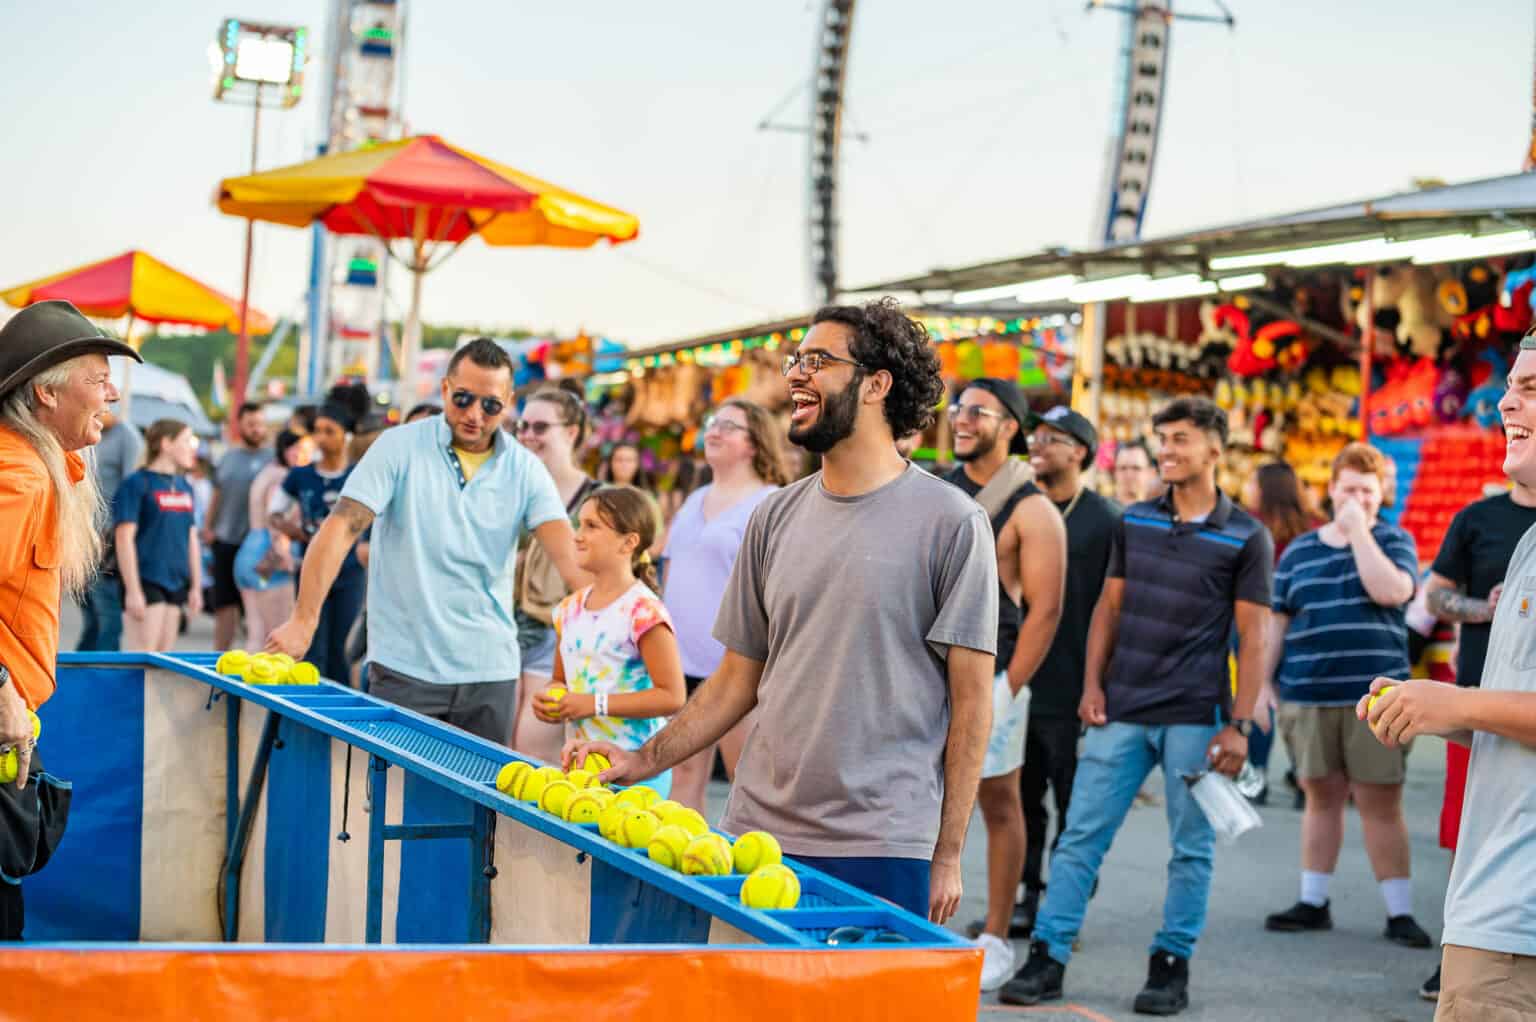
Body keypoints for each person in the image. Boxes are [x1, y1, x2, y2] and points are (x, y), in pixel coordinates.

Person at [565, 298, 999, 922]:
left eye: (818, 361)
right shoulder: (773, 517)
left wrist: (949, 852)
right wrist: (644, 759)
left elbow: (973, 703)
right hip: (758, 832)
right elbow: (736, 679)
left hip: (881, 840)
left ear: (877, 384)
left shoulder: (953, 523)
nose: (796, 373)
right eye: (799, 359)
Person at [1002, 396, 1272, 1015]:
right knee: (1080, 837)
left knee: (1190, 847)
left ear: (1214, 448)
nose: (1167, 451)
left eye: (1180, 439)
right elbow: (1108, 608)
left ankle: (1170, 966)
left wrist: (1238, 726)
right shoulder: (1136, 521)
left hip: (1196, 714)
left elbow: (1254, 636)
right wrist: (1092, 686)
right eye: (1162, 440)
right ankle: (1049, 955)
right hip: (1121, 708)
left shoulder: (1245, 535)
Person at [266, 339, 584, 743]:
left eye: (490, 405)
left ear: (509, 402)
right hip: (405, 668)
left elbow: (570, 558)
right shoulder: (399, 447)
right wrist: (303, 620)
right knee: (397, 801)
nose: (474, 415)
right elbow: (341, 528)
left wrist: (619, 632)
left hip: (491, 671)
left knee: (478, 803)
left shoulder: (525, 469)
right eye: (464, 399)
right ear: (446, 389)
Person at [1360, 335, 1536, 1021]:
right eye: (1513, 383)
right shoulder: (1519, 540)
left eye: (1532, 388)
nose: (1504, 401)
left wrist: (1454, 700)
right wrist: (1423, 707)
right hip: (1498, 902)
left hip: (1514, 922)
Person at [0, 300, 140, 938]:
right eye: (97, 375)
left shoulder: (45, 463)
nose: (112, 391)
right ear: (45, 393)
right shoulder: (21, 473)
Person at [1258, 443, 1429, 949]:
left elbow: (1392, 592)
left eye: (1368, 492)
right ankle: (1314, 901)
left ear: (1382, 497)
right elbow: (1278, 620)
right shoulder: (1301, 551)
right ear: (1331, 490)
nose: (1357, 499)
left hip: (1377, 699)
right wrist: (1262, 686)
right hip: (1307, 694)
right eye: (1349, 489)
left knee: (1380, 800)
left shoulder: (1393, 541)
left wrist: (1358, 533)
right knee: (1320, 797)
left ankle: (1399, 912)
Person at [943, 378, 1067, 990]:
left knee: (997, 801)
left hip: (994, 676)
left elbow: (1045, 609)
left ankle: (995, 934)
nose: (961, 419)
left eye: (977, 412)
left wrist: (1009, 689)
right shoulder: (936, 487)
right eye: (957, 408)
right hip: (930, 675)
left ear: (1010, 425)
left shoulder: (1031, 507)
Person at [984, 406, 1120, 941]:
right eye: (1035, 435)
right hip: (1020, 675)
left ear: (1080, 452)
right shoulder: (1016, 506)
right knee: (1022, 797)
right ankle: (1026, 898)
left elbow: (1113, 610)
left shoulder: (1105, 519)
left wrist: (1101, 683)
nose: (1038, 444)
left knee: (1071, 802)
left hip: (1074, 685)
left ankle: (1064, 908)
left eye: (1054, 438)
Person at [1411, 417, 1536, 1001]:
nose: (1510, 405)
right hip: (1478, 704)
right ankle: (1456, 941)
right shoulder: (1481, 521)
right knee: (1468, 829)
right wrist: (1483, 611)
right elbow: (1434, 594)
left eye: (1531, 388)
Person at [663, 399, 788, 813]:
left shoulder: (769, 504)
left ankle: (751, 874)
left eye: (728, 427)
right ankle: (680, 872)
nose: (713, 432)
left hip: (736, 666)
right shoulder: (696, 495)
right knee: (682, 776)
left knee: (745, 781)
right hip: (680, 663)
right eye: (712, 423)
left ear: (754, 445)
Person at [535, 487, 686, 796]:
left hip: (637, 776)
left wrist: (593, 704)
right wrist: (552, 699)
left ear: (628, 542)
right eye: (579, 524)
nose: (577, 535)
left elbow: (672, 697)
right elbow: (560, 680)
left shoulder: (644, 612)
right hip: (579, 771)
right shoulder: (567, 610)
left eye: (592, 526)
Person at [511, 383, 600, 758]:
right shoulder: (507, 487)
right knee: (490, 755)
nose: (528, 435)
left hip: (556, 638)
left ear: (571, 431)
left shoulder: (598, 499)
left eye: (540, 427)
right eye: (523, 426)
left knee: (532, 756)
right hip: (497, 631)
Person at [267, 402, 364, 682]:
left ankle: (337, 715)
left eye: (329, 431)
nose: (321, 438)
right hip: (311, 569)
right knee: (310, 647)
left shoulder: (359, 474)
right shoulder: (301, 475)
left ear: (346, 435)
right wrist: (298, 532)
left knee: (342, 650)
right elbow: (274, 513)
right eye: (317, 431)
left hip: (349, 572)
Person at [1242, 461, 1320, 804]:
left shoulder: (1249, 526)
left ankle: (1256, 776)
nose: (1246, 487)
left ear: (1265, 488)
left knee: (1259, 697)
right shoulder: (1315, 525)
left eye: (1251, 481)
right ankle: (1304, 775)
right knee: (1298, 699)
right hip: (1305, 622)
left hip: (1254, 620)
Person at [113, 420, 203, 653]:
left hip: (176, 581)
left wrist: (196, 586)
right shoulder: (136, 483)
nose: (193, 447)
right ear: (166, 444)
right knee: (144, 660)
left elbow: (192, 538)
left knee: (165, 662)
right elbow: (124, 538)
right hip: (146, 579)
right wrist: (133, 590)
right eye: (187, 441)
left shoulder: (185, 486)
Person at [204, 402, 271, 651]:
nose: (257, 429)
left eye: (260, 424)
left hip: (259, 544)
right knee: (224, 605)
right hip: (226, 541)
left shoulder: (273, 458)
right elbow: (216, 494)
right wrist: (209, 527)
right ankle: (219, 661)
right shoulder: (228, 458)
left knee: (259, 606)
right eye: (251, 424)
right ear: (240, 425)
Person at [235, 430, 310, 651]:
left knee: (256, 635)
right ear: (288, 450)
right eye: (300, 449)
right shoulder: (282, 477)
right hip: (270, 558)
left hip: (249, 555)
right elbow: (275, 521)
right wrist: (284, 555)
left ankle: (241, 685)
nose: (304, 455)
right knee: (276, 641)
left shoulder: (267, 472)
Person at [76, 406, 142, 651]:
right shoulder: (87, 431)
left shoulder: (128, 437)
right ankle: (79, 674)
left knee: (108, 617)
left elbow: (131, 489)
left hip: (107, 537)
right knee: (90, 615)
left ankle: (104, 673)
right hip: (82, 532)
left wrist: (114, 536)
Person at [1113, 436, 1160, 505]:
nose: (1129, 475)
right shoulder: (1102, 512)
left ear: (1152, 473)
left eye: (1136, 468)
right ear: (1115, 473)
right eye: (1123, 468)